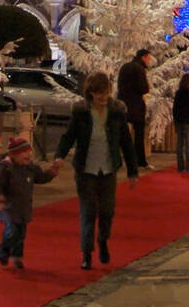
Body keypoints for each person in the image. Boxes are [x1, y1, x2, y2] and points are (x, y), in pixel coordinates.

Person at [52, 71, 139, 269]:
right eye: (98, 93)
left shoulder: (117, 112)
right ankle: (87, 253)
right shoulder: (81, 112)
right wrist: (59, 157)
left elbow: (126, 142)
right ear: (90, 93)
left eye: (106, 93)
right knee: (88, 211)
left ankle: (103, 240)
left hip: (108, 169)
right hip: (85, 169)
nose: (103, 97)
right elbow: (68, 136)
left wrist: (133, 172)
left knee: (107, 211)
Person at [0, 135, 55, 269]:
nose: (28, 155)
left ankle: (17, 257)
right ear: (14, 155)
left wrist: (52, 171)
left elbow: (41, 178)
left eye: (29, 152)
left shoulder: (30, 168)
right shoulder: (6, 168)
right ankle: (3, 251)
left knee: (21, 234)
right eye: (24, 152)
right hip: (10, 207)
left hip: (24, 207)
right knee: (12, 231)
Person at [117, 48, 154, 169]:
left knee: (122, 134)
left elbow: (120, 86)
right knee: (139, 135)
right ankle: (141, 161)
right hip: (136, 106)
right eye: (148, 58)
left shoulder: (125, 67)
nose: (149, 61)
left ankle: (117, 160)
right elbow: (143, 88)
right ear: (143, 57)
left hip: (123, 105)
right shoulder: (139, 69)